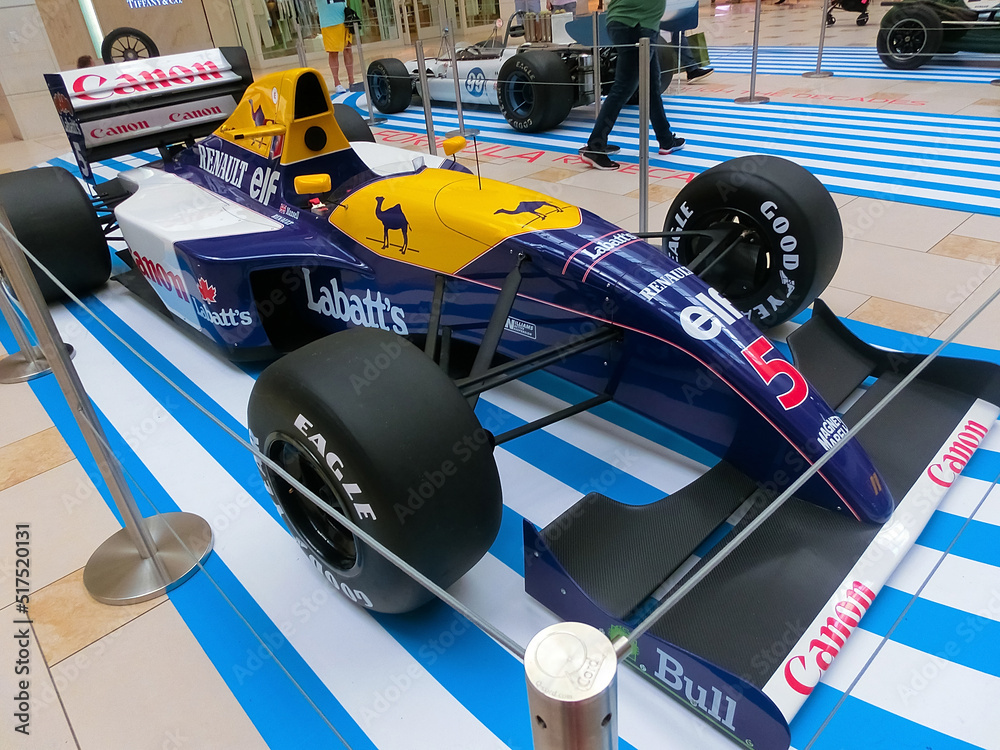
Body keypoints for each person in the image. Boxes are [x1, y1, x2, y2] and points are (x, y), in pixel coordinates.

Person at [578, 0, 685, 170]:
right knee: (623, 88)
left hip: (635, 22)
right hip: (636, 24)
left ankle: (666, 140)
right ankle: (595, 148)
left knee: (650, 86)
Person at [660, 0, 713, 82]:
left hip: (675, 7)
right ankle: (692, 69)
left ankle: (692, 68)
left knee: (678, 35)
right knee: (678, 36)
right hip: (671, 8)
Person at [318, 0, 362, 94]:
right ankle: (337, 83)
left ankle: (351, 80)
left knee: (348, 48)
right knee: (333, 51)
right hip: (329, 22)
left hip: (344, 19)